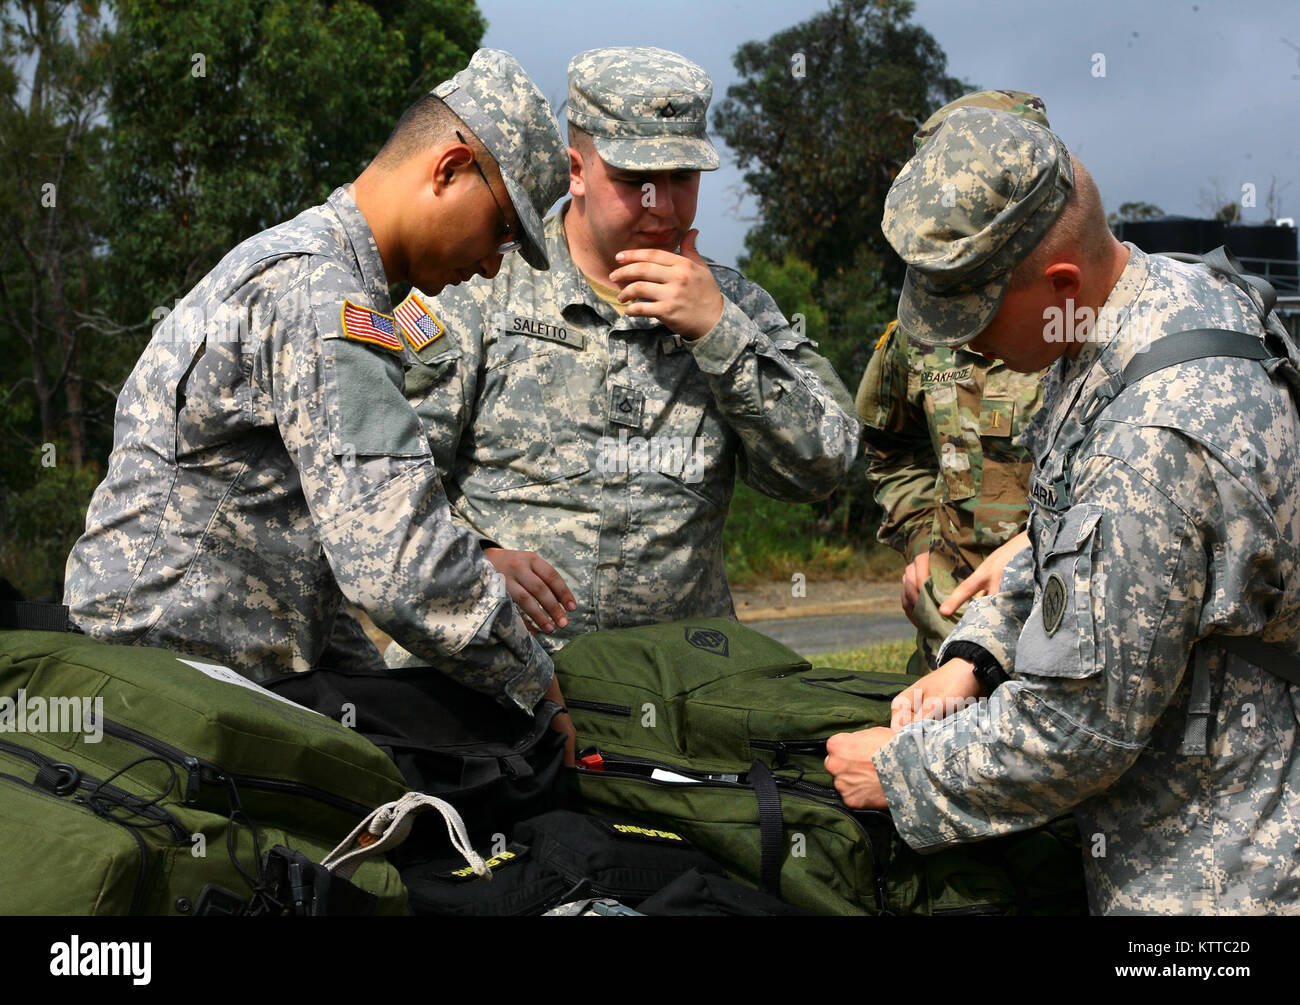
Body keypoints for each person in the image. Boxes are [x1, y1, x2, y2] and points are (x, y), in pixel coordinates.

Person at [825, 106, 1300, 914]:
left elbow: (1079, 731)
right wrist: (971, 658)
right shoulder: (1138, 311)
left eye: (973, 318)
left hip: (1217, 882)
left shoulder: (1152, 444)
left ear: (1060, 286)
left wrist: (900, 772)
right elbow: (1059, 544)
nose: (964, 348)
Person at [63, 50, 577, 755]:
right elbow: (395, 560)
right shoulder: (320, 294)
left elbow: (300, 554)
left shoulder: (321, 273)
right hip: (157, 696)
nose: (493, 263)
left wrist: (372, 698)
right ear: (450, 168)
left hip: (190, 675)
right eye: (502, 230)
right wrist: (531, 680)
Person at [385, 46, 859, 660]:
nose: (661, 206)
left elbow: (824, 465)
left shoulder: (734, 306)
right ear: (575, 171)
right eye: (636, 181)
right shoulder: (475, 286)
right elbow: (386, 478)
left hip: (680, 683)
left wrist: (719, 334)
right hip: (493, 674)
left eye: (682, 179)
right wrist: (476, 559)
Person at [857, 90, 1049, 675]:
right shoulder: (920, 327)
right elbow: (887, 444)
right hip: (945, 644)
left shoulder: (1083, 321)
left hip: (1061, 640)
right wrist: (920, 541)